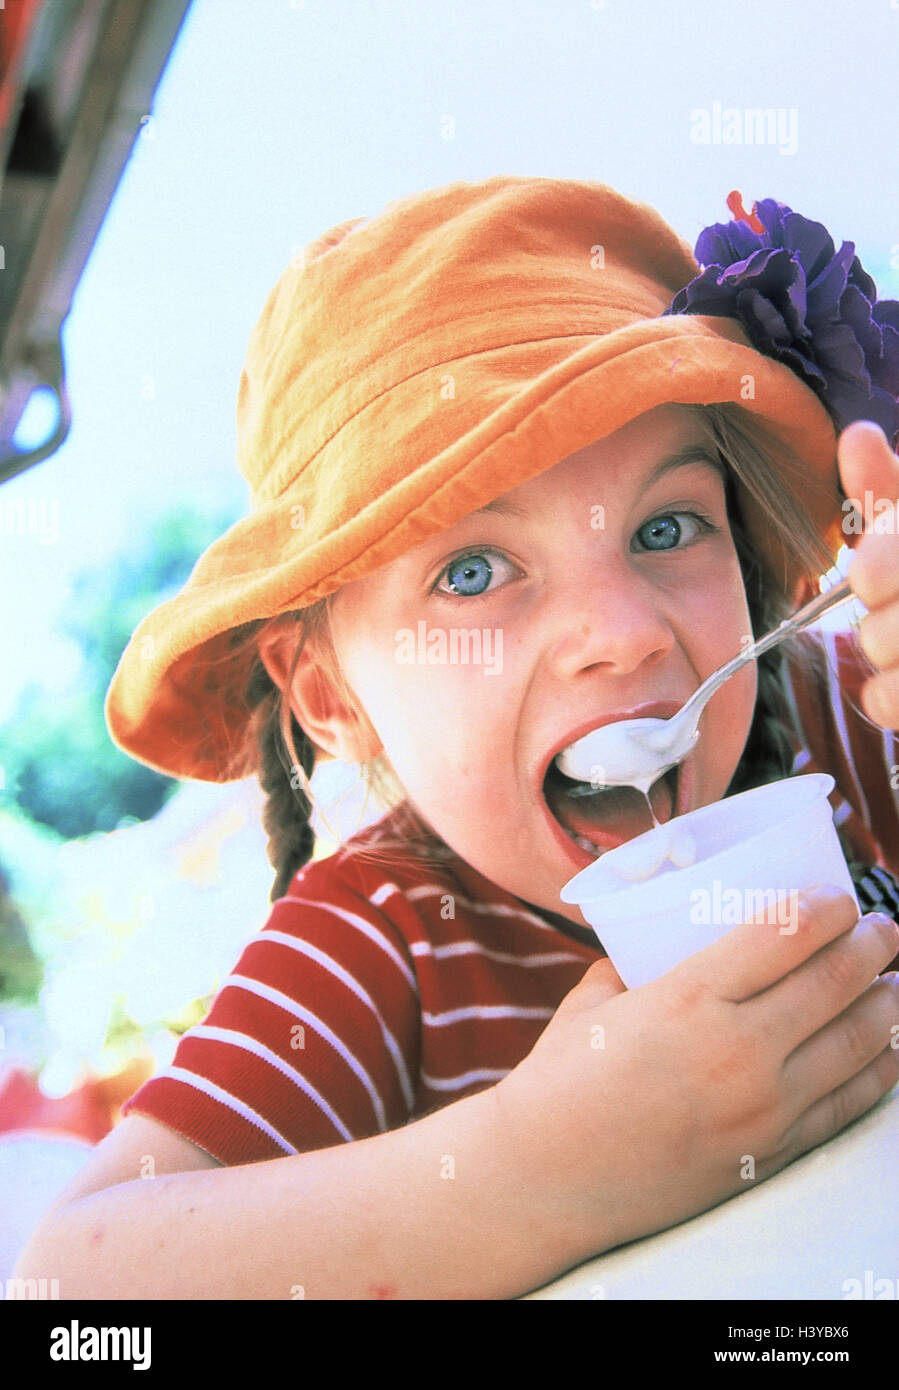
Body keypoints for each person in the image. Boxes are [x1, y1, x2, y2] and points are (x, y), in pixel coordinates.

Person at [16, 176, 899, 1300]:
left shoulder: (854, 717)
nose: (620, 636)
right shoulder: (382, 933)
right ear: (330, 698)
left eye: (665, 526)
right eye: (472, 572)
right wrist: (544, 1168)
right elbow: (70, 1296)